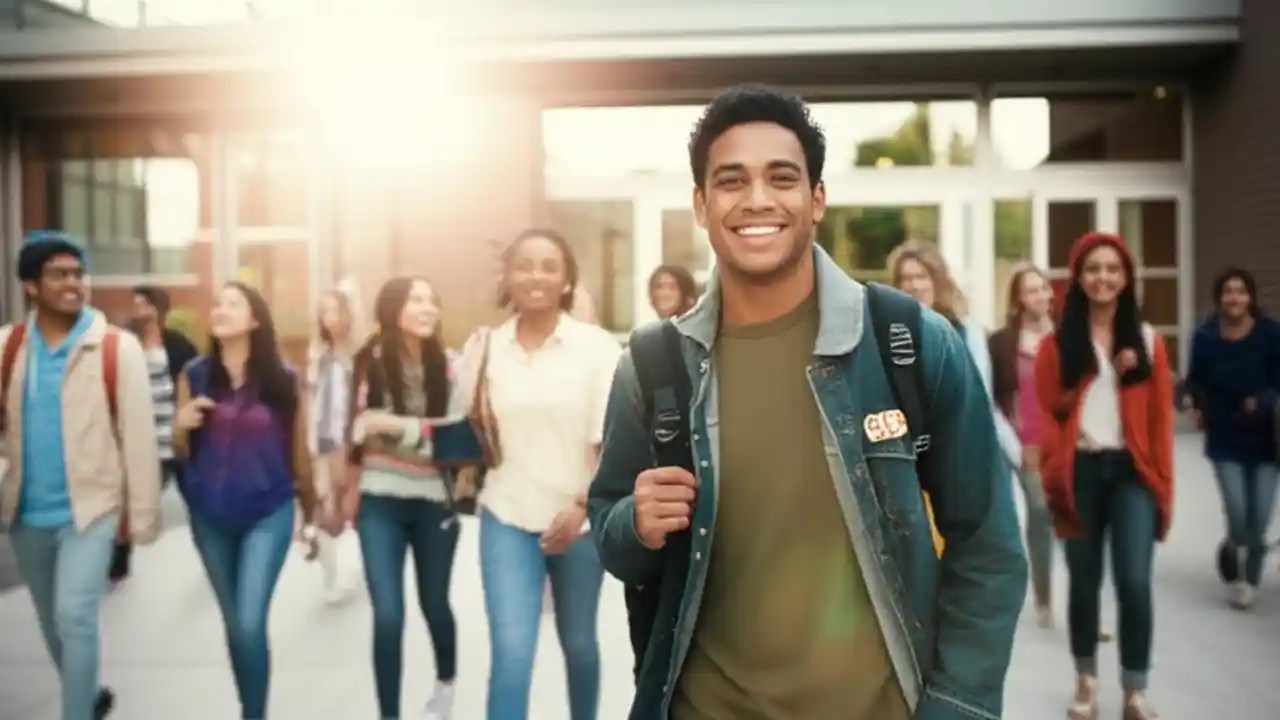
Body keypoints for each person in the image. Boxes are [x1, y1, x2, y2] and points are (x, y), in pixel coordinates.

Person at [589, 85, 1026, 720]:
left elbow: (988, 545)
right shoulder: (655, 365)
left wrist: (958, 705)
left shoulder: (907, 343)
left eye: (782, 178)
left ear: (817, 199)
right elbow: (612, 536)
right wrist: (636, 520)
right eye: (732, 181)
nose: (758, 199)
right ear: (701, 205)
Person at [456, 229, 621, 720]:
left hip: (579, 523)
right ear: (508, 276)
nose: (536, 275)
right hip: (506, 514)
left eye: (549, 265)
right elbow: (469, 432)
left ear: (567, 280)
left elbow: (610, 444)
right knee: (511, 654)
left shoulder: (596, 349)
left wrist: (579, 508)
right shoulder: (487, 349)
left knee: (579, 645)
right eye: (525, 265)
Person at [0, 233, 162, 720]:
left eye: (78, 274)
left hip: (91, 510)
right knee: (54, 626)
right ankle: (86, 696)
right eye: (59, 274)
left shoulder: (117, 347)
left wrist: (143, 516)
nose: (73, 283)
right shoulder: (7, 348)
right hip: (27, 514)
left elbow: (138, 437)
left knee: (76, 617)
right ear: (31, 285)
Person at [1035, 232, 1174, 720]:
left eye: (1113, 269)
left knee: (1134, 580)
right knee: (1084, 579)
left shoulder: (1150, 341)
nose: (1103, 277)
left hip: (1133, 473)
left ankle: (1135, 688)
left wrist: (1163, 490)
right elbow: (1049, 411)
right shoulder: (1058, 344)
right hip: (1082, 471)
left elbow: (1161, 424)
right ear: (1079, 278)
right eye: (1093, 268)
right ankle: (1085, 680)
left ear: (1126, 278)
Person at [173, 282, 317, 720]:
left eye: (233, 304)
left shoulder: (284, 381)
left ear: (255, 320)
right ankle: (250, 708)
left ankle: (254, 714)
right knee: (236, 626)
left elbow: (299, 453)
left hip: (267, 511)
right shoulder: (194, 375)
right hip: (210, 514)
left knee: (250, 621)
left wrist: (310, 514)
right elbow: (181, 450)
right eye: (217, 303)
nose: (220, 309)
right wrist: (181, 424)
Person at [343, 276, 460, 720]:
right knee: (388, 615)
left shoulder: (450, 366)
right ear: (394, 308)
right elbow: (354, 432)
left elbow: (454, 438)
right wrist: (344, 492)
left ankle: (445, 686)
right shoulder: (369, 363)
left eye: (433, 300)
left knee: (435, 604)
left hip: (434, 502)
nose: (428, 308)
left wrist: (389, 426)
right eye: (417, 300)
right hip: (380, 500)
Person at [1186, 267, 1280, 609]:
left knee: (1261, 518)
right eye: (1228, 292)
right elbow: (1195, 380)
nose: (1234, 298)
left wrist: (1265, 401)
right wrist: (1194, 402)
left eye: (1241, 292)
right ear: (1219, 298)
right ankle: (1231, 546)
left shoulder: (1271, 335)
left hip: (1268, 439)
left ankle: (1249, 582)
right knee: (1239, 513)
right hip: (1225, 436)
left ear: (1251, 297)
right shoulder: (1206, 336)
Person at [889, 239, 1022, 467]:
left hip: (963, 448)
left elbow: (979, 394)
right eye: (906, 279)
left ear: (937, 281)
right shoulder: (890, 333)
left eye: (921, 277)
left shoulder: (967, 332)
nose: (913, 286)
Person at [108, 285, 199, 586]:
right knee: (129, 504)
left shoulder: (179, 346)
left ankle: (213, 554)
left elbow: (197, 384)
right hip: (144, 444)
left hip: (177, 440)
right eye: (134, 305)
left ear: (158, 309)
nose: (137, 310)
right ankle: (117, 563)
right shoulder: (125, 344)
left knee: (199, 505)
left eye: (143, 305)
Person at [989, 265, 1058, 627]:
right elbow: (994, 394)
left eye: (1043, 288)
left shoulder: (1065, 338)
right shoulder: (1001, 342)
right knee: (1032, 510)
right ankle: (1034, 597)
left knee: (1044, 518)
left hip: (1056, 445)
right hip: (1013, 442)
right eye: (1031, 290)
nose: (1040, 296)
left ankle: (1045, 592)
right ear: (1018, 298)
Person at [306, 288, 358, 604]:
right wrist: (321, 447)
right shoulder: (319, 355)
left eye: (336, 311)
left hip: (355, 442)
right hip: (327, 442)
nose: (330, 318)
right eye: (324, 312)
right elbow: (317, 406)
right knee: (328, 505)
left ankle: (350, 570)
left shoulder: (358, 354)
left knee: (349, 506)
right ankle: (330, 580)